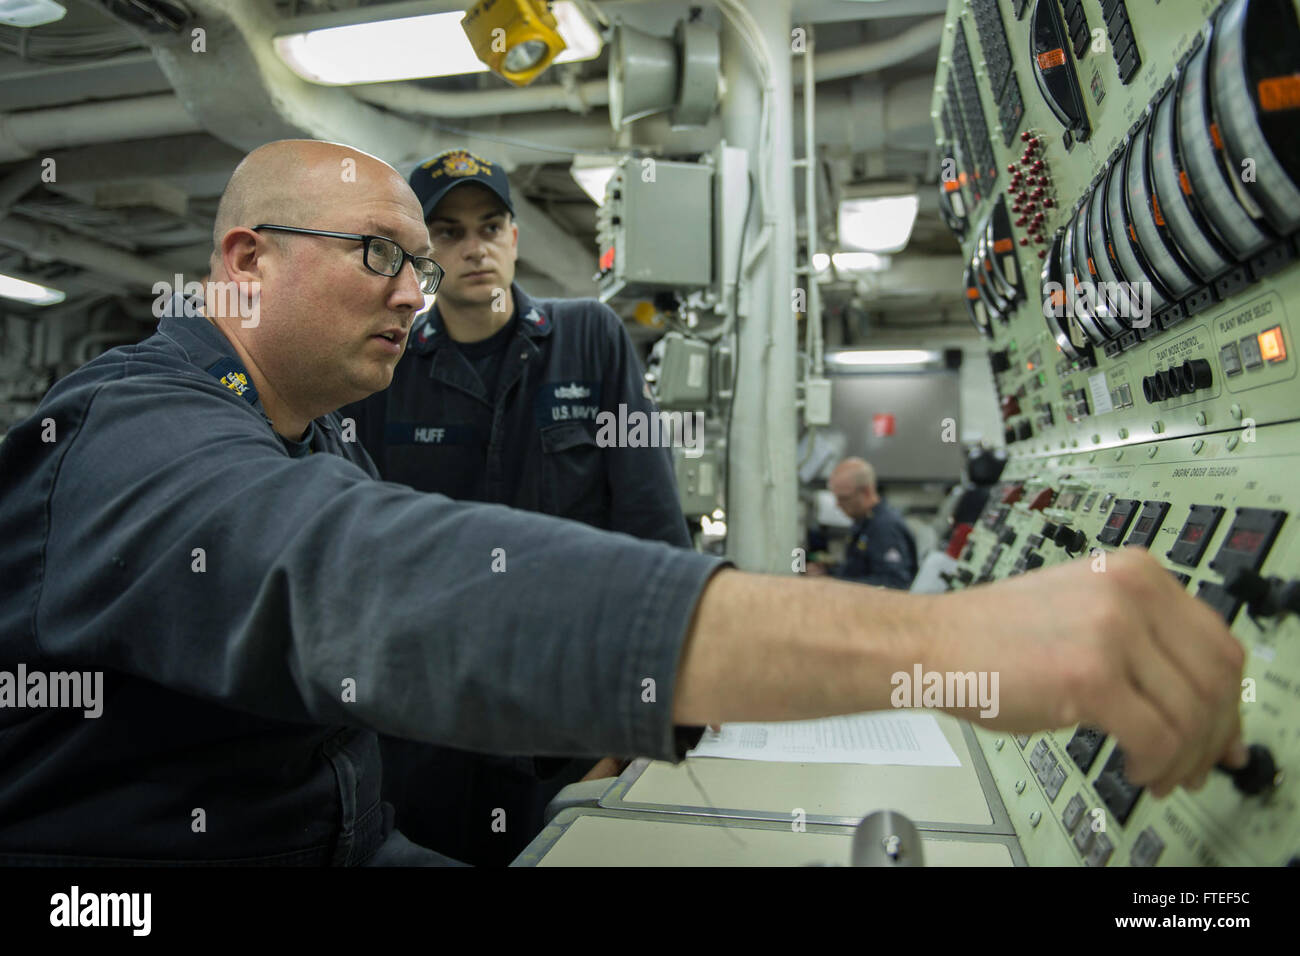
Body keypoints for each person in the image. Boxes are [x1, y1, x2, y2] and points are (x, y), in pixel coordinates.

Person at [0, 140, 1248, 866]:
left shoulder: (319, 422)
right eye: (382, 254)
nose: (414, 290)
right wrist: (938, 646)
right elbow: (367, 576)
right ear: (245, 261)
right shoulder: (132, 437)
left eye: (424, 266)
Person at [340, 149, 690, 864]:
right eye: (448, 233)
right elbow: (356, 549)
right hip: (429, 724)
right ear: (420, 255)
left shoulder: (590, 339)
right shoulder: (389, 367)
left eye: (491, 225)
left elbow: (653, 526)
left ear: (515, 237)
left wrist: (647, 720)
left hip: (568, 721)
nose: (475, 248)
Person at [808, 458, 918, 590]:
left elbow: (894, 583)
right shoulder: (863, 522)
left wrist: (835, 584)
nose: (838, 505)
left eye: (844, 498)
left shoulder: (885, 528)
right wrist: (829, 572)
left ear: (866, 492)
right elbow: (857, 571)